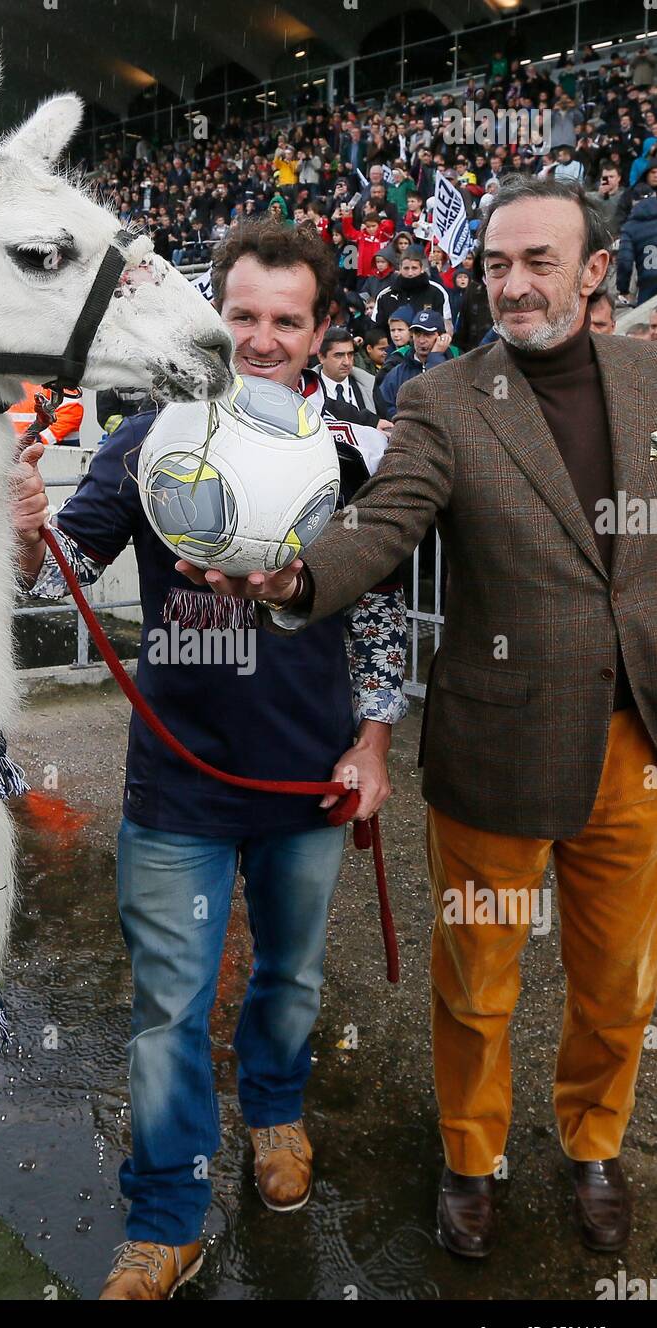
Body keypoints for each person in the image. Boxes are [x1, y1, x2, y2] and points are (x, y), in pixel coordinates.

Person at [187, 176, 657, 1262]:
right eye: (496, 263)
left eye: (541, 261)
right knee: (478, 982)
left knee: (619, 983)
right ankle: (469, 1157)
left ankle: (593, 1145)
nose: (514, 282)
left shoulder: (648, 378)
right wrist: (297, 581)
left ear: (594, 272)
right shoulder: (445, 398)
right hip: (498, 744)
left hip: (633, 743)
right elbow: (384, 523)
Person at [12, 218, 408, 1299]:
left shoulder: (358, 453)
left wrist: (372, 741)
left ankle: (276, 1116)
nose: (262, 339)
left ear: (324, 328)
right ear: (215, 318)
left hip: (307, 779)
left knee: (286, 979)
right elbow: (57, 577)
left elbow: (377, 620)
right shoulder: (148, 440)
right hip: (177, 785)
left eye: (287, 319)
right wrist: (21, 525)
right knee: (168, 1009)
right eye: (242, 315)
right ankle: (169, 1216)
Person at [376, 309, 448, 419]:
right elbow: (383, 404)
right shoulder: (398, 371)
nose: (421, 340)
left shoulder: (454, 364)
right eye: (417, 334)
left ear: (441, 337)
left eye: (427, 334)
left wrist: (435, 357)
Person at [315, 324, 390, 426]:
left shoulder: (369, 385)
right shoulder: (307, 388)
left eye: (350, 354)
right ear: (321, 357)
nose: (347, 362)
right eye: (338, 355)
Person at [373, 245, 453, 337]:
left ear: (422, 269)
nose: (410, 273)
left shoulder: (437, 292)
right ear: (400, 268)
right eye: (406, 268)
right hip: (393, 349)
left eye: (414, 268)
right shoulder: (385, 295)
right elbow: (377, 330)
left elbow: (445, 326)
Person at [616, 186, 657, 304]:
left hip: (648, 286)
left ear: (633, 202)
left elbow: (624, 262)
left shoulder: (630, 227)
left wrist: (623, 289)